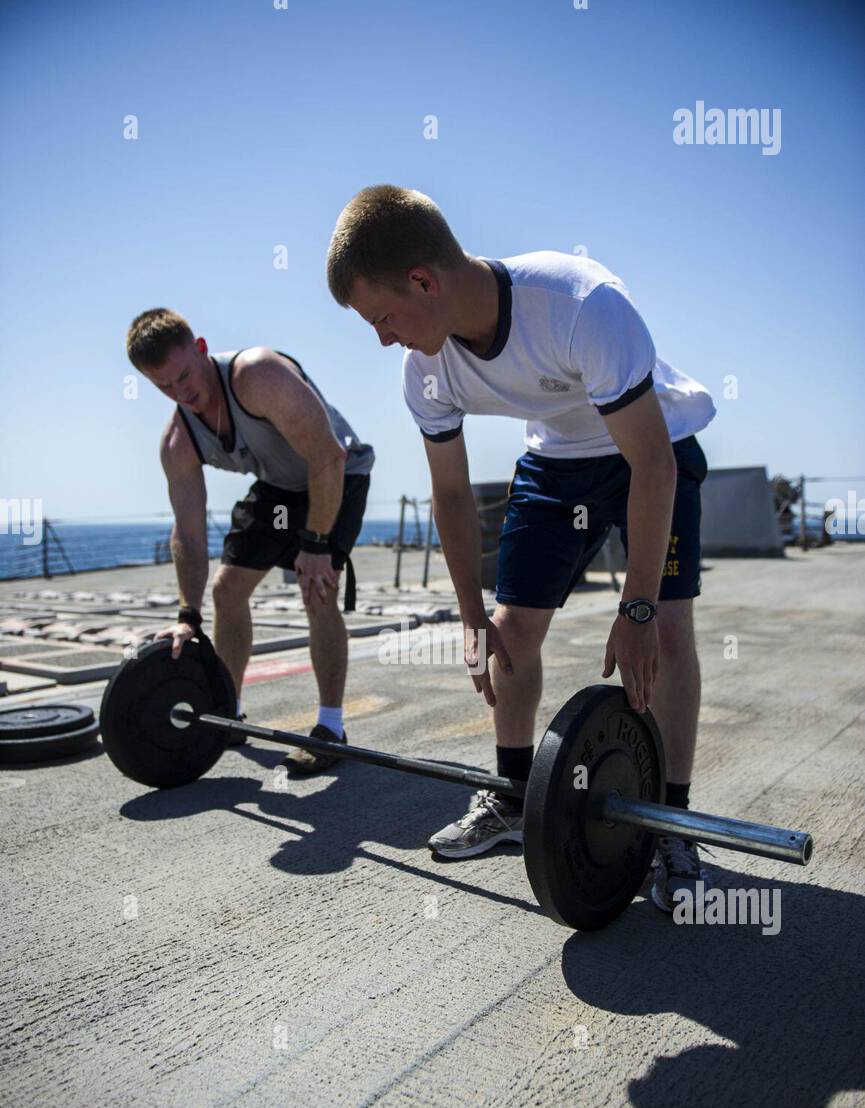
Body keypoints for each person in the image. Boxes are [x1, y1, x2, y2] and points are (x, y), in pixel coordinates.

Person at [326, 186, 715, 911]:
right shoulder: (426, 370)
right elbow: (448, 495)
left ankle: (672, 823)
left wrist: (632, 609)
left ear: (423, 281)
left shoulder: (577, 303)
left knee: (664, 627)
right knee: (509, 633)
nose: (382, 338)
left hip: (651, 449)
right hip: (557, 462)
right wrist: (471, 614)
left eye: (382, 317)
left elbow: (652, 466)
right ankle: (510, 797)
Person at [125, 308, 374, 770]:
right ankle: (229, 713)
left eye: (184, 376)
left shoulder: (257, 375)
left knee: (317, 589)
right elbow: (190, 532)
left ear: (201, 349)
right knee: (226, 589)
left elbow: (327, 454)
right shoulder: (178, 441)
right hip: (279, 492)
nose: (182, 393)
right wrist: (187, 615)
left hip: (337, 473)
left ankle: (330, 728)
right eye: (165, 387)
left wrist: (317, 546)